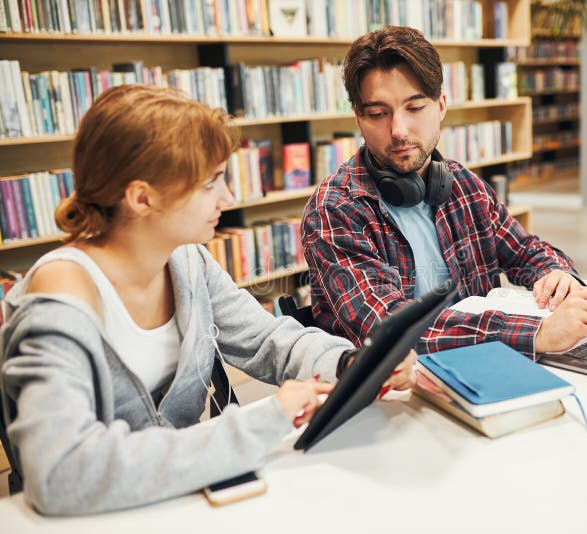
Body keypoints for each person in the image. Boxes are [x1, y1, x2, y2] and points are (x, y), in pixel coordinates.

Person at [0, 85, 414, 516]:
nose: (228, 199)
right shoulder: (59, 293)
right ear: (143, 198)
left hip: (178, 503)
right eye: (210, 183)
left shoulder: (186, 261)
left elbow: (268, 341)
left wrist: (352, 364)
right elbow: (61, 474)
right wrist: (267, 418)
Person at [302, 26, 587, 358]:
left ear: (441, 105)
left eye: (414, 108)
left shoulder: (464, 185)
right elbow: (392, 329)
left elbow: (525, 251)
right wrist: (536, 333)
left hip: (481, 365)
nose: (398, 130)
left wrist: (555, 273)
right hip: (391, 393)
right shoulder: (334, 209)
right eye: (377, 114)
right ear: (358, 118)